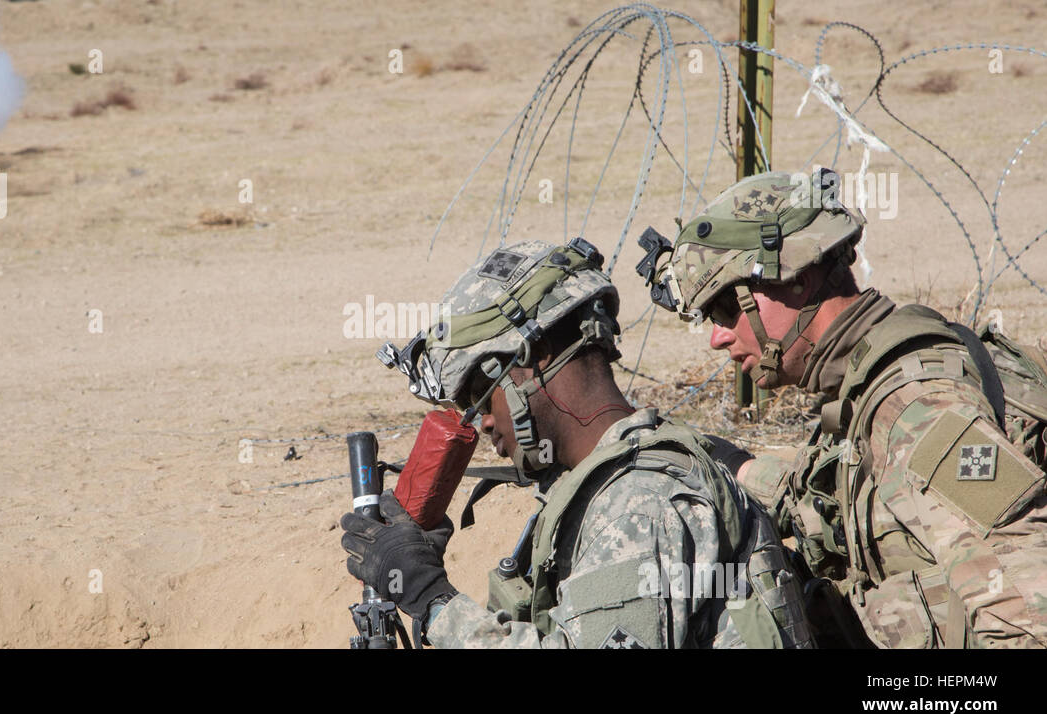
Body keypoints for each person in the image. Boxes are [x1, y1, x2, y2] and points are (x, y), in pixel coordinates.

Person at [340, 237, 814, 648]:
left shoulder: (639, 502)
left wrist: (432, 598)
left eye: (480, 398)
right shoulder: (615, 479)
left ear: (534, 358)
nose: (483, 423)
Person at [644, 168, 1047, 648]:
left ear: (797, 280)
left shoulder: (916, 409)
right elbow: (834, 499)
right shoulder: (868, 387)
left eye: (726, 309)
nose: (717, 338)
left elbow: (1030, 616)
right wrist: (735, 468)